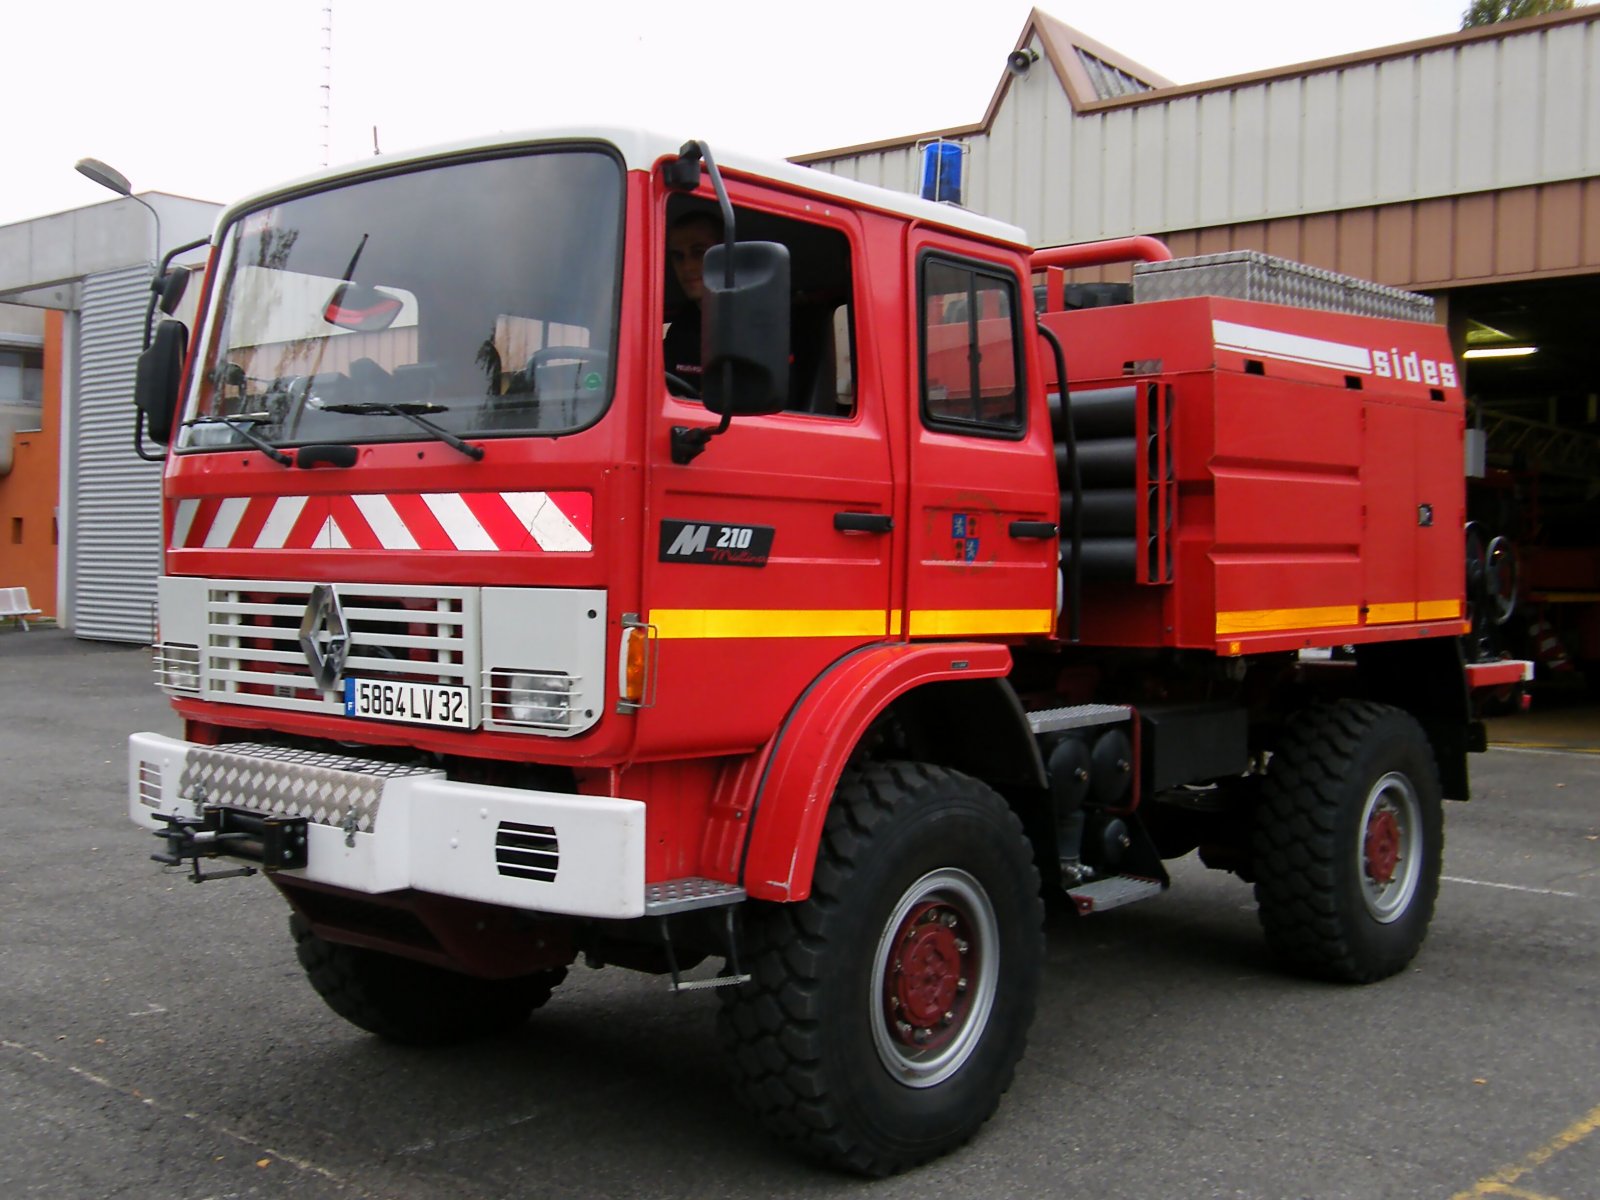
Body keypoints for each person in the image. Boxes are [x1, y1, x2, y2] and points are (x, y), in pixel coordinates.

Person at [663, 210, 723, 389]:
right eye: (678, 256)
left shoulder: (754, 324)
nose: (687, 267)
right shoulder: (681, 328)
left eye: (698, 253)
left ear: (726, 254)